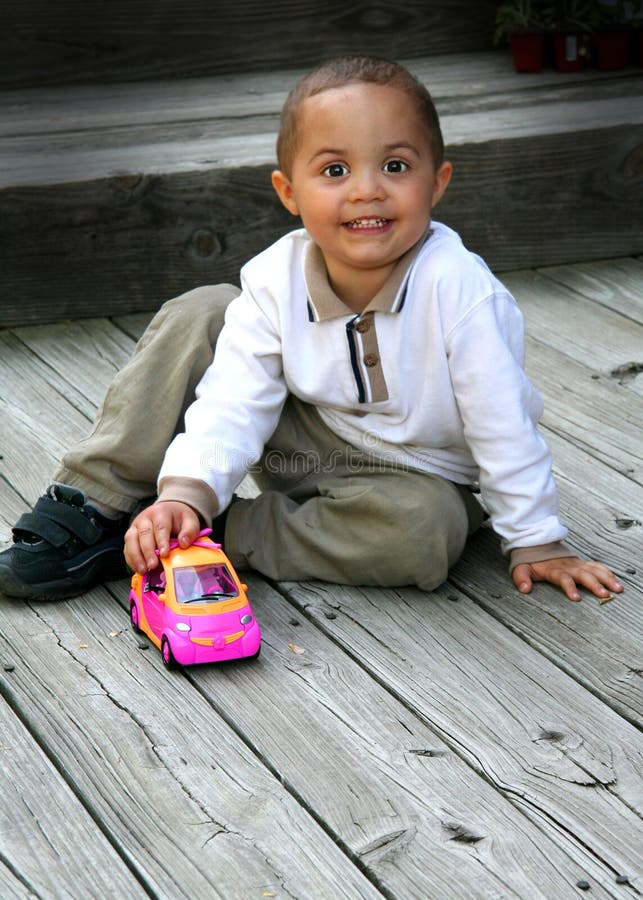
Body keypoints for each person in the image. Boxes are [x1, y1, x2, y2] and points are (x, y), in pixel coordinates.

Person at [0, 56, 623, 604]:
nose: (367, 191)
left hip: (414, 476)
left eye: (396, 165)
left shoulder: (458, 289)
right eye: (334, 172)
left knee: (426, 533)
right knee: (204, 310)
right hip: (299, 439)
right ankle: (99, 503)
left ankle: (209, 536)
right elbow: (233, 400)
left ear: (438, 181)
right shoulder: (275, 279)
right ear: (288, 191)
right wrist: (188, 489)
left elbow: (502, 423)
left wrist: (536, 540)